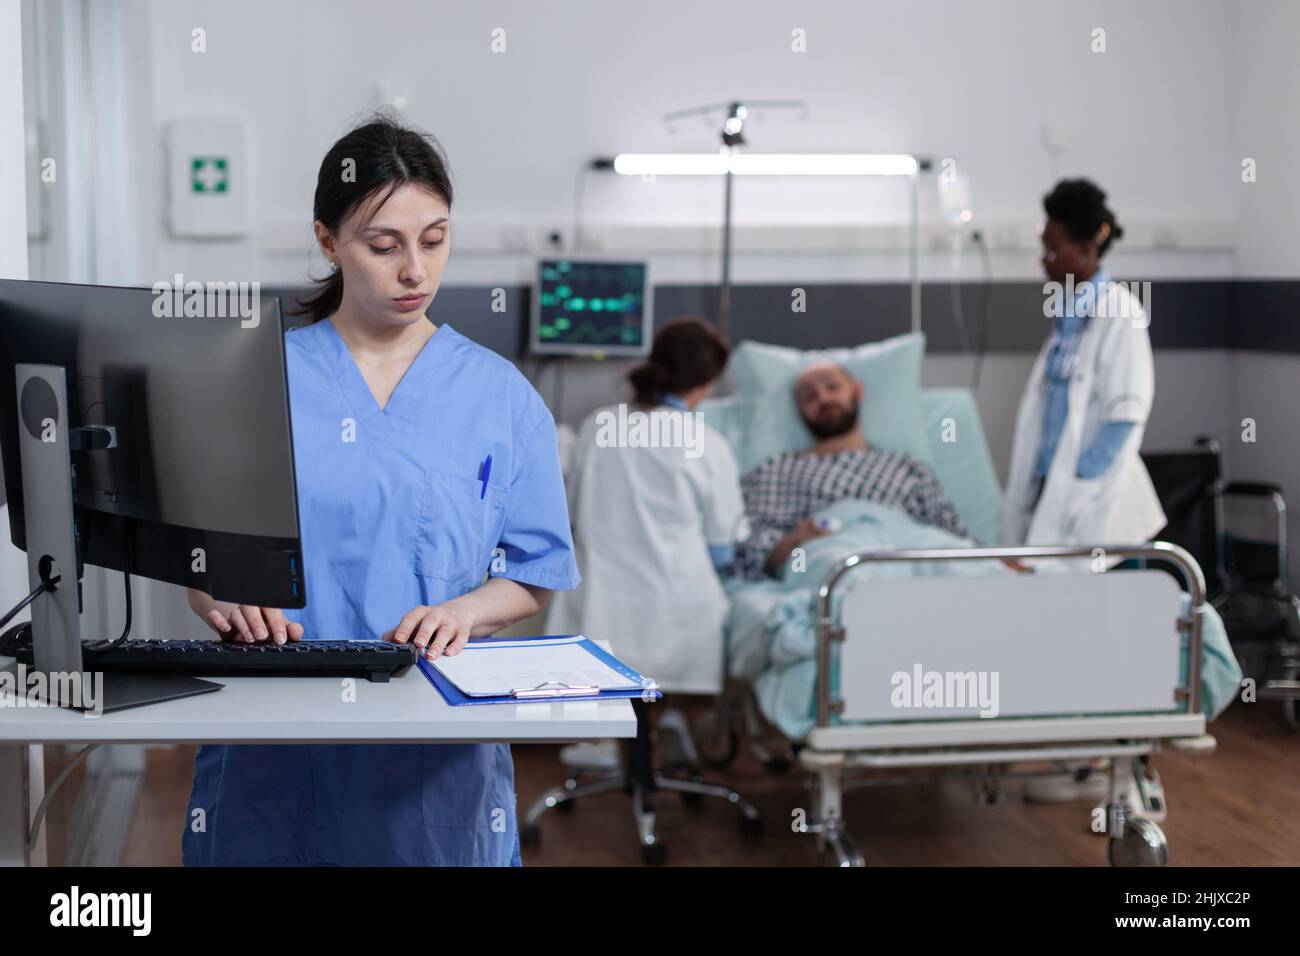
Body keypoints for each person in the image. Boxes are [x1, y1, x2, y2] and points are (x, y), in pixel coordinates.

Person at [181, 116, 579, 866]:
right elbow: (197, 561)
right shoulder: (253, 382)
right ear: (328, 241)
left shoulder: (500, 396)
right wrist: (218, 596)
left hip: (432, 760)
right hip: (274, 748)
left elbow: (535, 573)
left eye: (434, 240)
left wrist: (464, 611)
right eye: (383, 245)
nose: (415, 273)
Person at [547, 318, 747, 698]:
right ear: (707, 384)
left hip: (600, 606)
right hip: (675, 609)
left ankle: (610, 747)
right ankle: (666, 727)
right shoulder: (708, 442)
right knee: (665, 691)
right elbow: (723, 548)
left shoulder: (598, 425)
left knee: (608, 692)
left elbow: (570, 518)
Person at [1003, 178, 1165, 552]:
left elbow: (1126, 412)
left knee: (1100, 604)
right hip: (1055, 485)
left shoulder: (1121, 312)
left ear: (1084, 250)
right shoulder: (1067, 318)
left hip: (1092, 498)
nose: (1044, 260)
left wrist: (1081, 479)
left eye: (1052, 249)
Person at [734, 361, 966, 580]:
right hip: (832, 557)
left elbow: (953, 537)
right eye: (809, 396)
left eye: (832, 386)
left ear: (857, 391)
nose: (823, 398)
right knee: (851, 582)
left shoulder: (909, 467)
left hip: (911, 552)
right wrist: (796, 541)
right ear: (800, 411)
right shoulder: (775, 472)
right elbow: (745, 547)